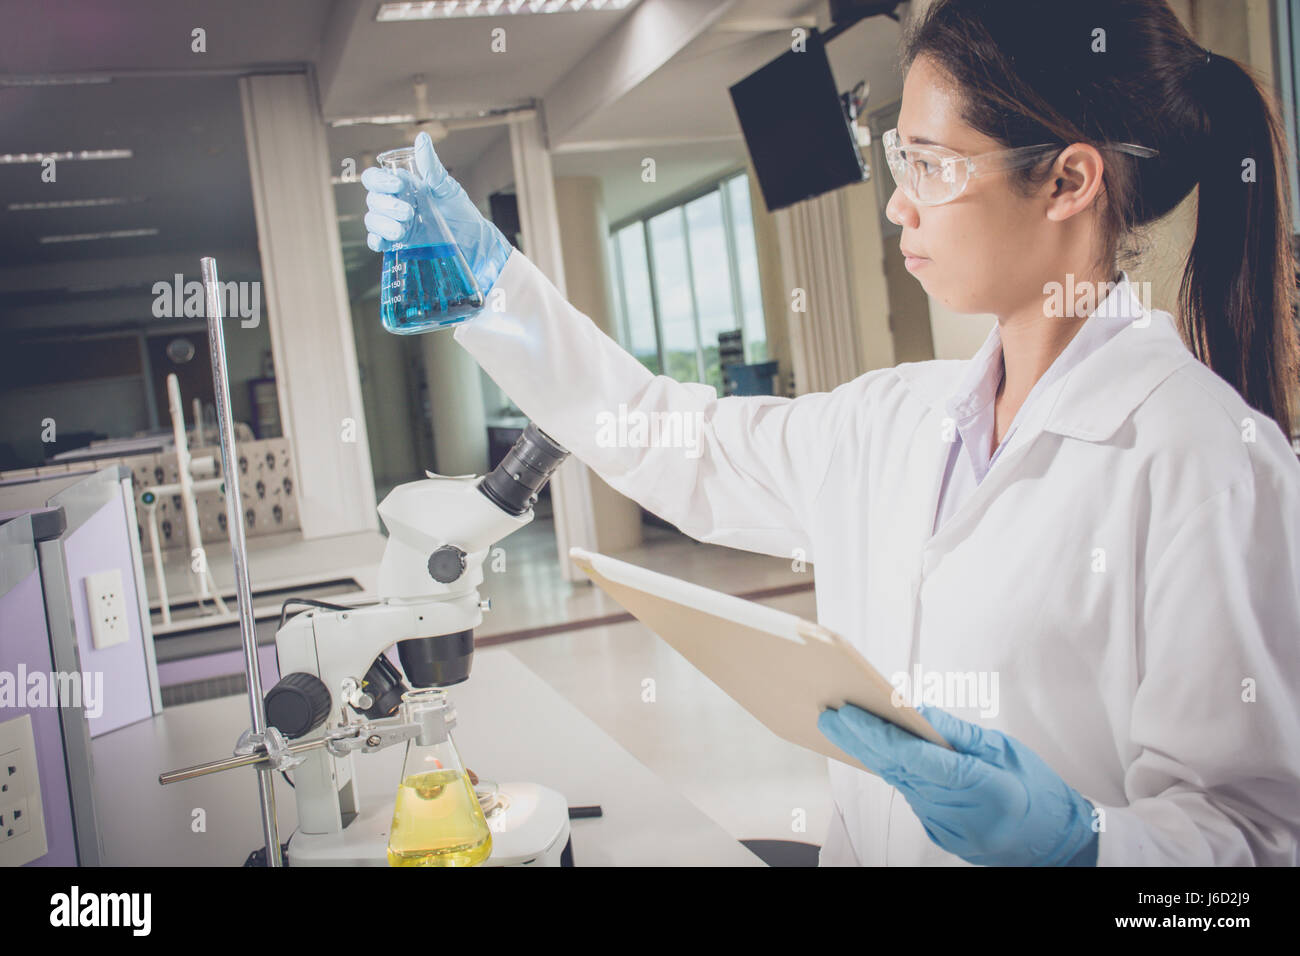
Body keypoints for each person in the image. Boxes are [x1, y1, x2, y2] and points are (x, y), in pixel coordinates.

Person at [363, 0, 1300, 865]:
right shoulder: (893, 420)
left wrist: (1083, 846)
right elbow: (659, 433)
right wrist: (493, 291)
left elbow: (1253, 847)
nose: (900, 202)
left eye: (933, 166)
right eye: (903, 159)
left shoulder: (1206, 464)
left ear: (1066, 180)